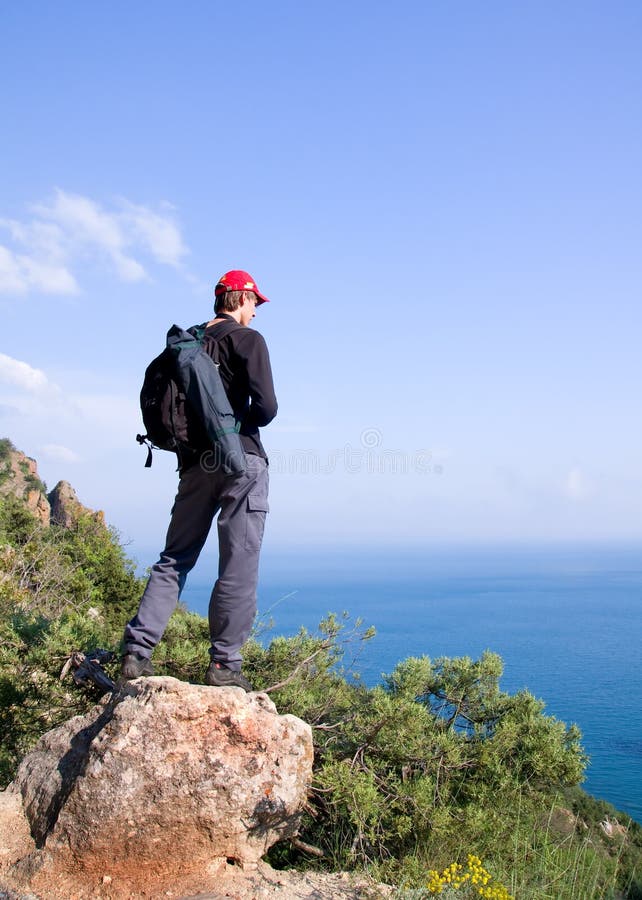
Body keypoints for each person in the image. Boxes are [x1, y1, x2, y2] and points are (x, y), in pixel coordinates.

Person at [121, 270, 277, 690]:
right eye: (254, 303)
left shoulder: (184, 344)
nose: (256, 312)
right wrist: (237, 421)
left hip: (193, 464)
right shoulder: (247, 340)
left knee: (175, 557)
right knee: (238, 563)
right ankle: (225, 665)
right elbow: (267, 406)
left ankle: (137, 653)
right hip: (240, 460)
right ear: (240, 298)